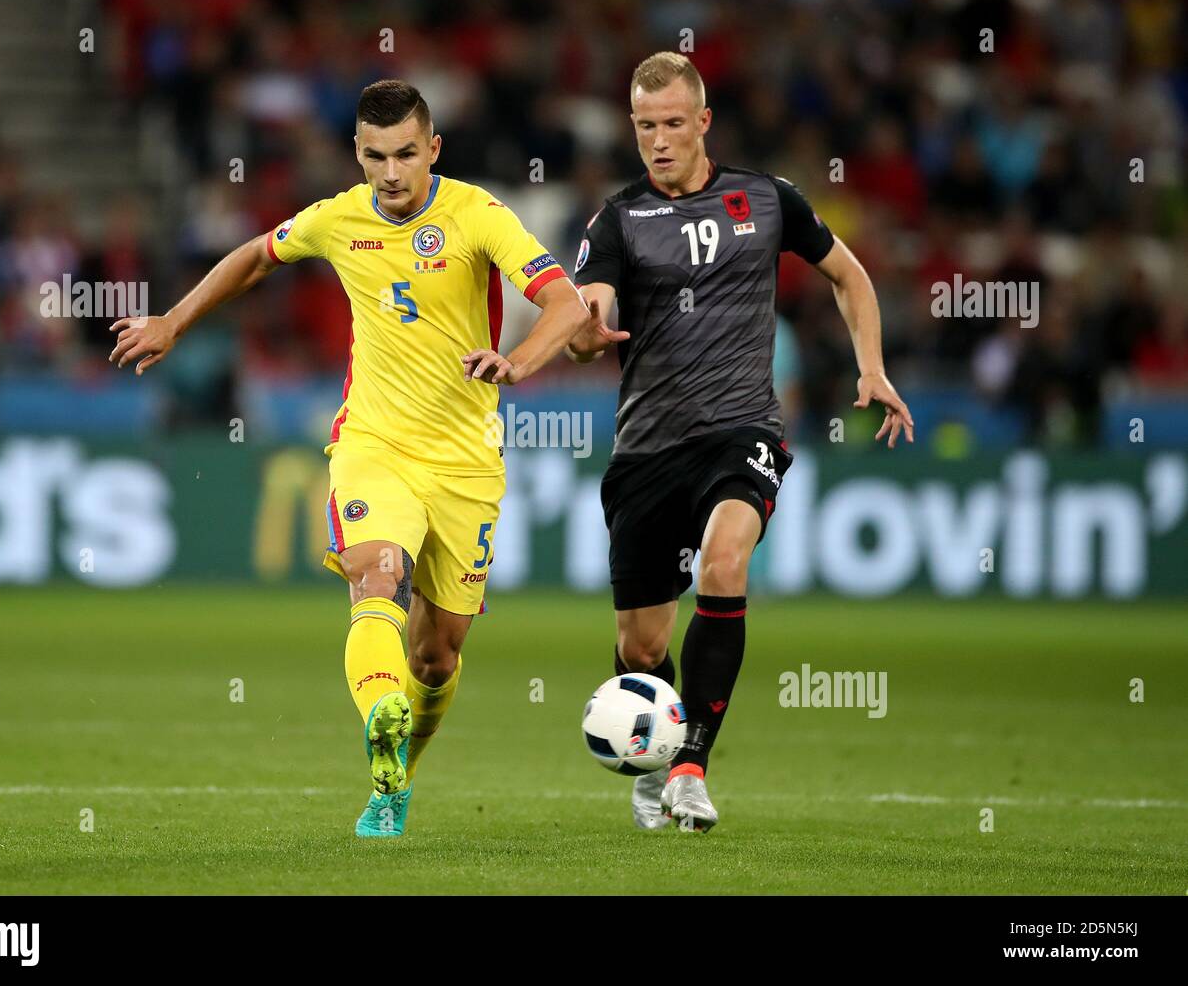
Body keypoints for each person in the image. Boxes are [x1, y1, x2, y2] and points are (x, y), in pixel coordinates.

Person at [110, 79, 588, 837]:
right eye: (375, 156)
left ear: (433, 148)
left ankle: (397, 774)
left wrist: (520, 359)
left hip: (466, 461)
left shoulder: (480, 215)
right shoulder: (340, 218)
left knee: (437, 655)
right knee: (378, 574)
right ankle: (380, 716)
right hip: (373, 442)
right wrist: (174, 319)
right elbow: (256, 256)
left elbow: (568, 302)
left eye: (406, 154)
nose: (392, 173)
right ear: (357, 154)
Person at [568, 53, 913, 832]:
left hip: (742, 431)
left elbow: (850, 277)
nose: (658, 141)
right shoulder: (618, 219)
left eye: (672, 124)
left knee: (725, 565)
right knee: (641, 640)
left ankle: (691, 763)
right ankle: (651, 759)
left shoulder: (766, 199)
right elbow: (590, 305)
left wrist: (873, 369)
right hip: (648, 448)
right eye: (644, 127)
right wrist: (588, 335)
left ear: (703, 123)